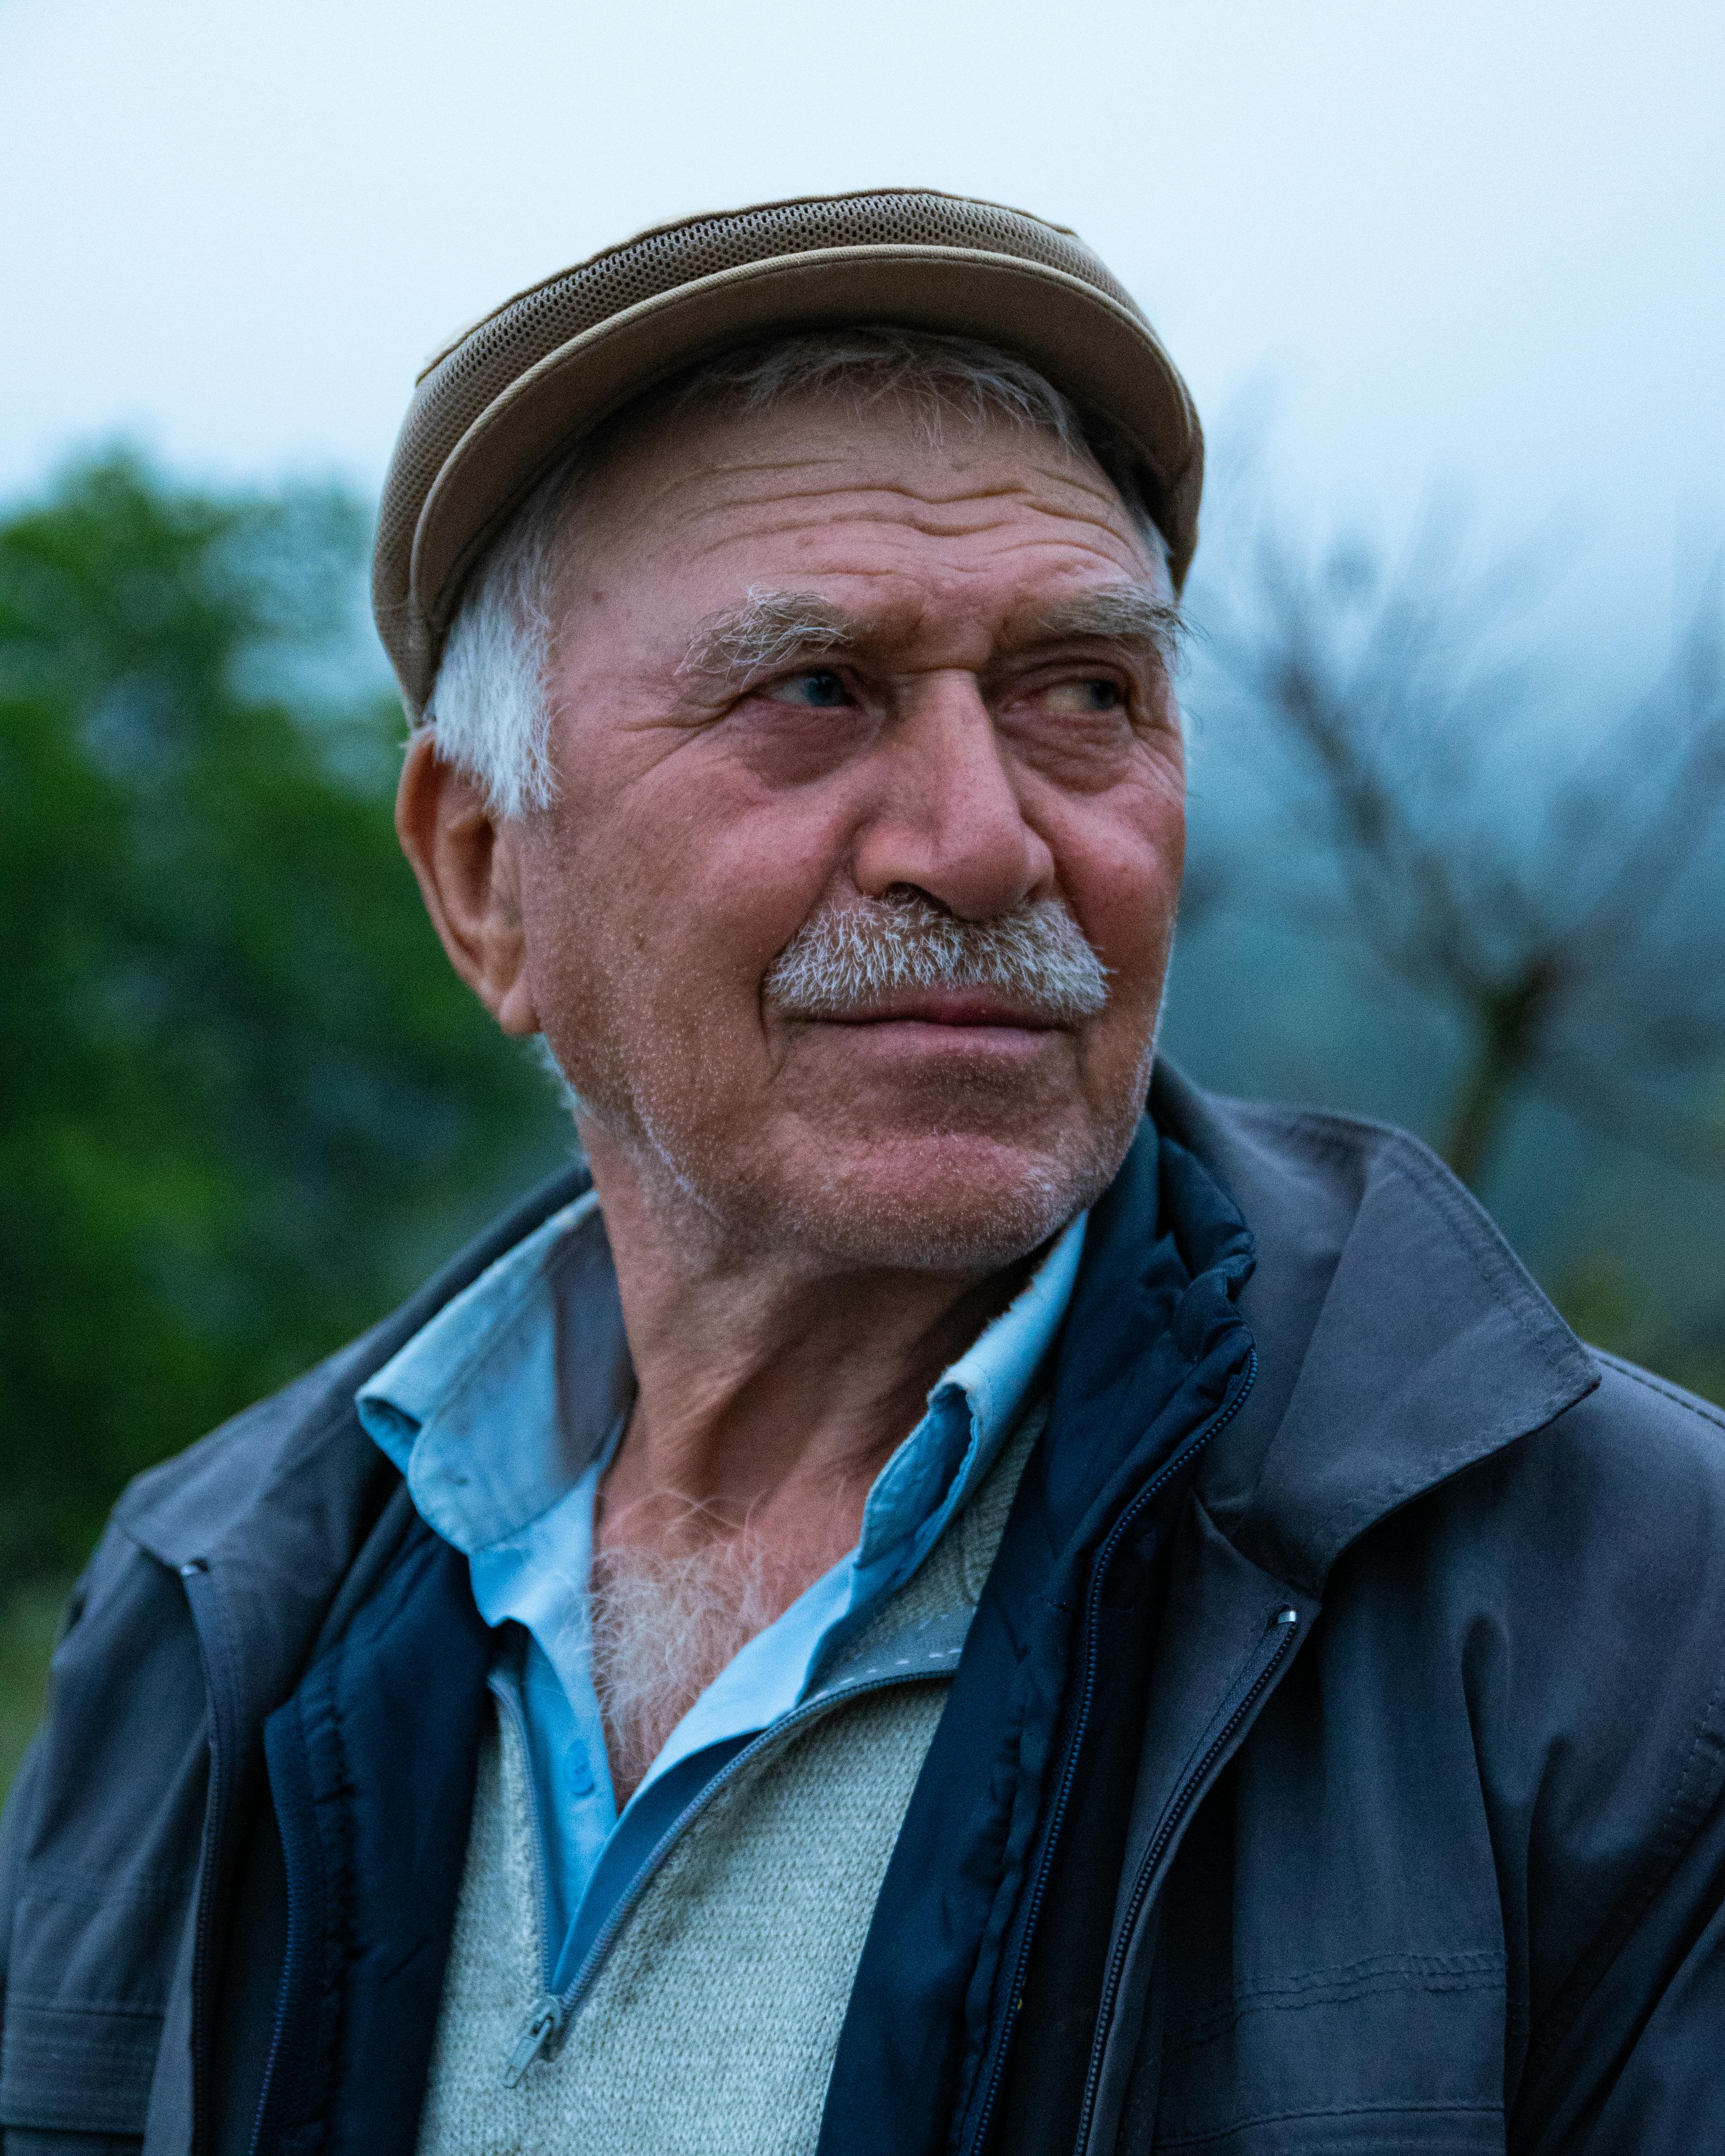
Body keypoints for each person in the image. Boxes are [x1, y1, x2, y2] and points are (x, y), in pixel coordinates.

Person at [4, 189, 1724, 2156]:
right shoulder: (204, 1609)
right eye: (813, 690)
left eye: (1083, 693)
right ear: (486, 877)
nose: (983, 845)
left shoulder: (1629, 1623)